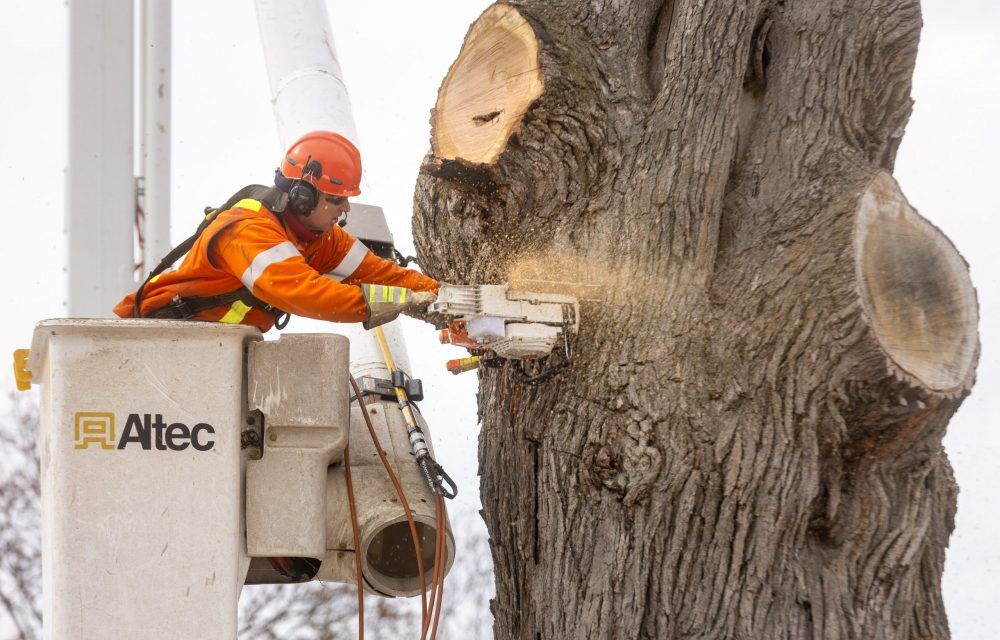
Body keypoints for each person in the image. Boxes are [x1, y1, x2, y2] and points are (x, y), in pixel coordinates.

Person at [114, 130, 438, 331]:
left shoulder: (318, 237)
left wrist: (441, 296)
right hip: (164, 341)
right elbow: (307, 294)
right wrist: (402, 301)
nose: (346, 209)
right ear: (302, 197)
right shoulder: (247, 230)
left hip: (215, 348)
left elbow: (383, 274)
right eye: (335, 199)